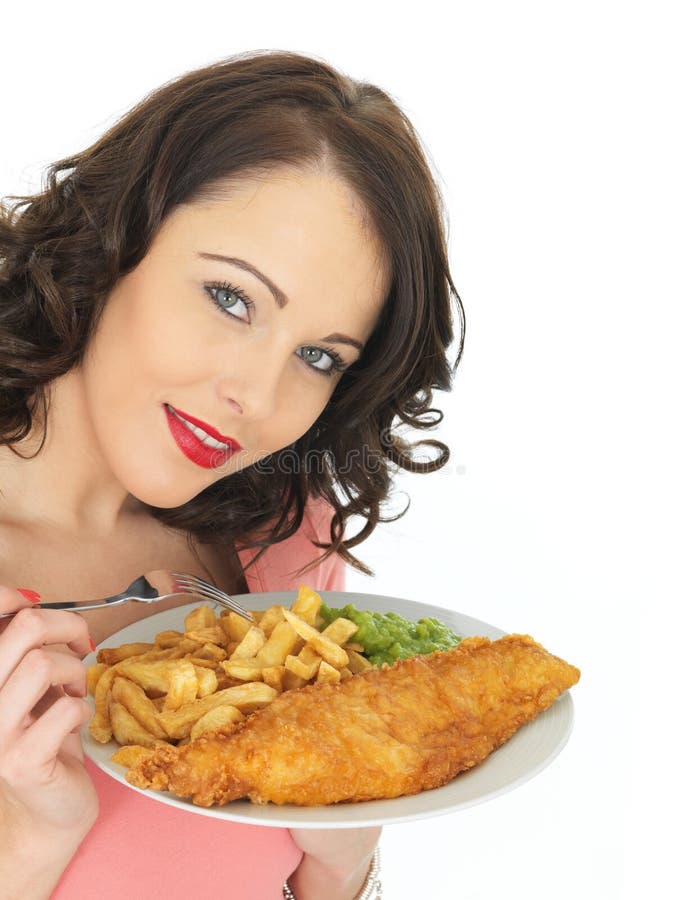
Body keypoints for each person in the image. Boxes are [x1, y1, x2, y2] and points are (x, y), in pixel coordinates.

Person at [0, 50, 463, 899]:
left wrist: (341, 860)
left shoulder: (285, 546)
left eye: (319, 356)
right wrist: (29, 844)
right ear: (115, 240)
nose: (256, 397)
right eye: (230, 298)